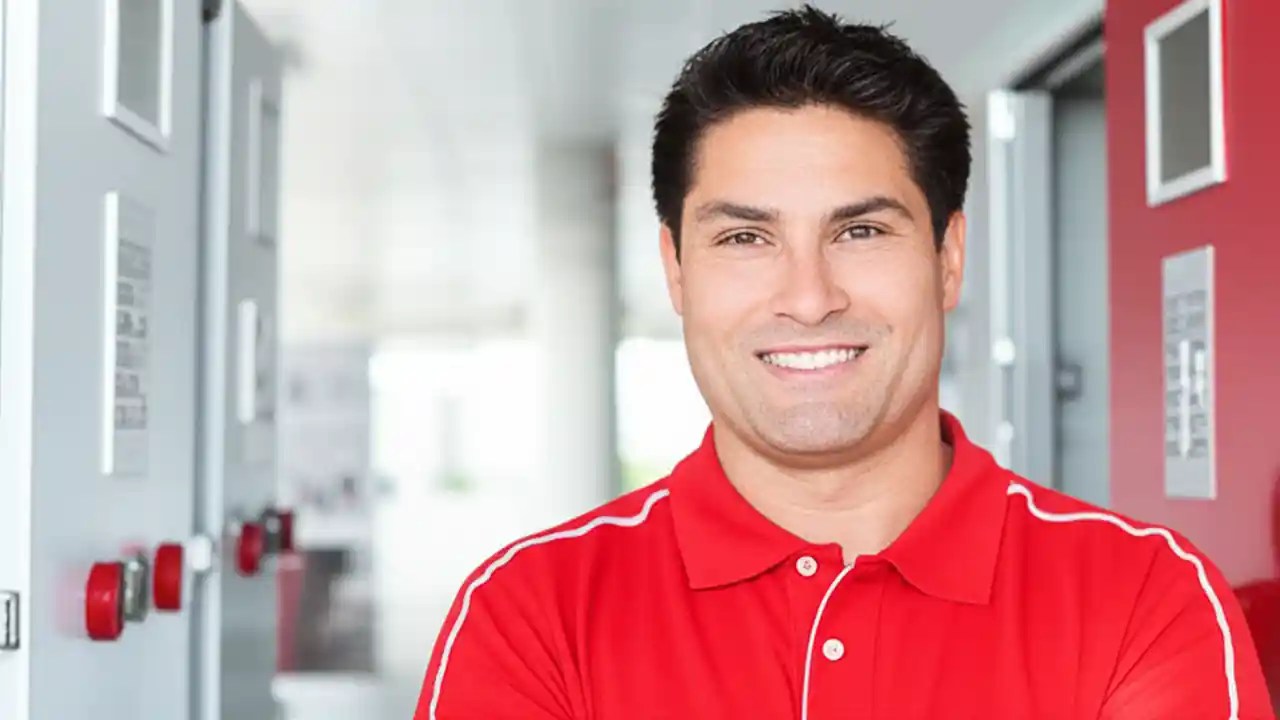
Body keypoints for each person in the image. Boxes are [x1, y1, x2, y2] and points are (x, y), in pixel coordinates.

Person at [414, 6, 1272, 718]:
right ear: (677, 269)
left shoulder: (1144, 602)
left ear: (947, 257)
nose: (809, 294)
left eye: (860, 231)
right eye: (746, 237)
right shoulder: (530, 616)